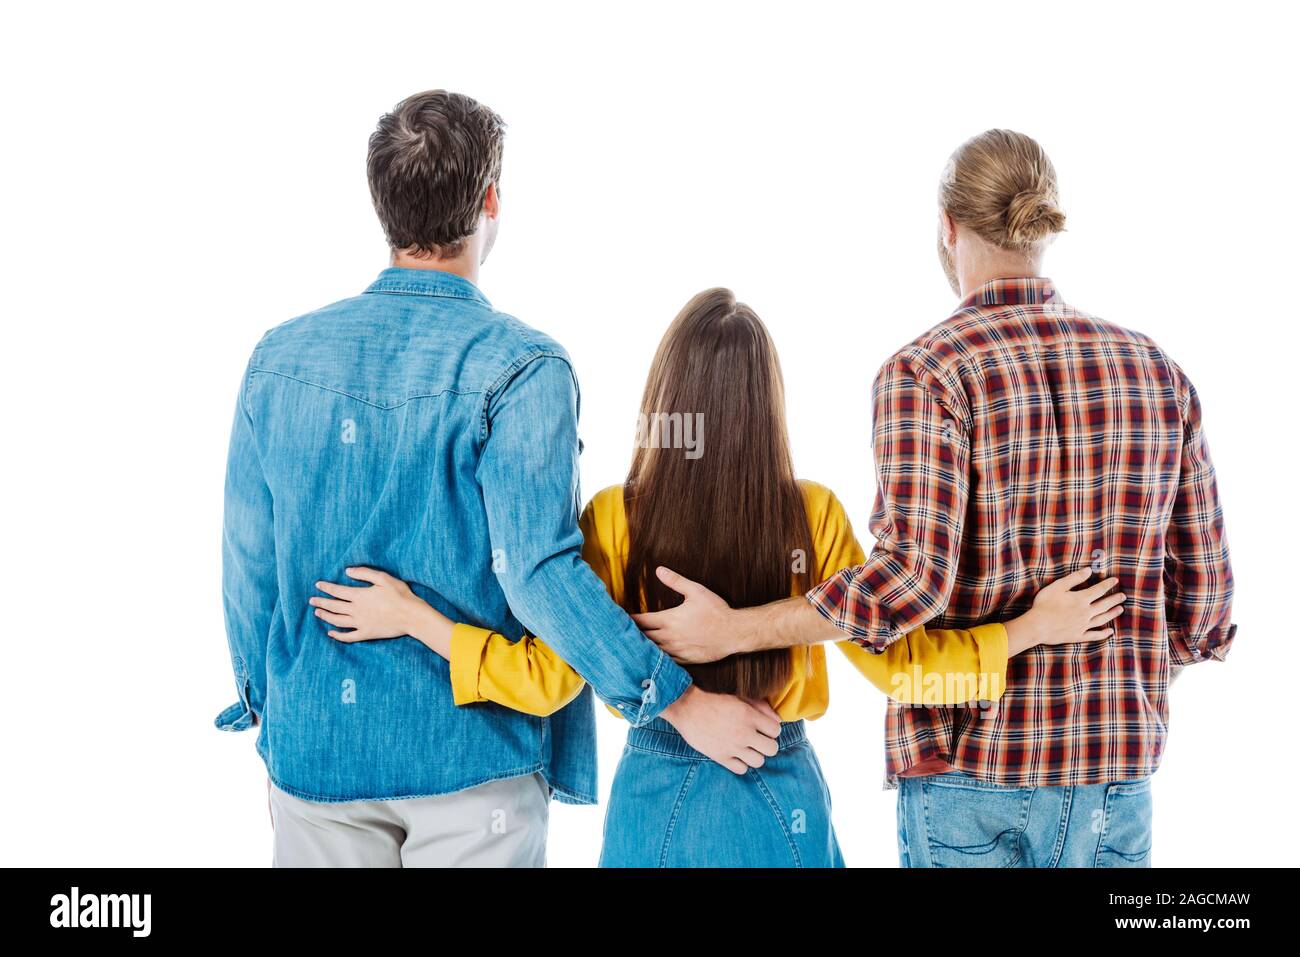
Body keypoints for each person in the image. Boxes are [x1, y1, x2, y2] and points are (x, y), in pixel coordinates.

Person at [314, 288, 1122, 867]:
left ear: (667, 394)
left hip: (652, 792)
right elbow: (904, 665)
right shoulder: (812, 513)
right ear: (768, 405)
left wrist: (418, 617)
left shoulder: (614, 519)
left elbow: (544, 679)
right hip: (783, 788)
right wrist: (1028, 629)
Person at [633, 131, 1236, 868]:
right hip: (1114, 781)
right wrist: (1127, 679)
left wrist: (735, 631)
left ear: (947, 228)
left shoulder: (927, 373)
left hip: (965, 771)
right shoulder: (1157, 373)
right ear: (1043, 228)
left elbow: (909, 583)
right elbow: (1206, 610)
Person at [217, 91, 783, 868]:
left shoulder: (278, 359)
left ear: (381, 205)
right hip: (473, 760)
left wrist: (264, 697)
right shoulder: (522, 368)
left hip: (319, 750)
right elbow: (539, 574)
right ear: (490, 202)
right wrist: (673, 696)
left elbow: (249, 560)